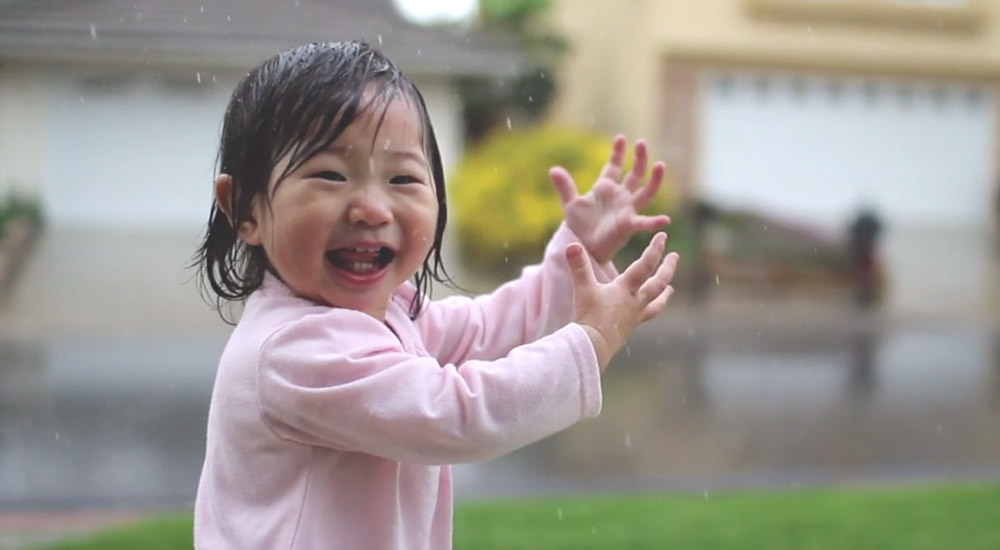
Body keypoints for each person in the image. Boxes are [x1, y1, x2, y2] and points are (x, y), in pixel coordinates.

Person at [191, 40, 678, 550]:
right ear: (243, 208)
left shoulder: (390, 314)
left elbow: (490, 327)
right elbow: (455, 414)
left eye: (402, 178)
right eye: (330, 175)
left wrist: (575, 256)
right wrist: (591, 341)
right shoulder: (293, 352)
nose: (372, 208)